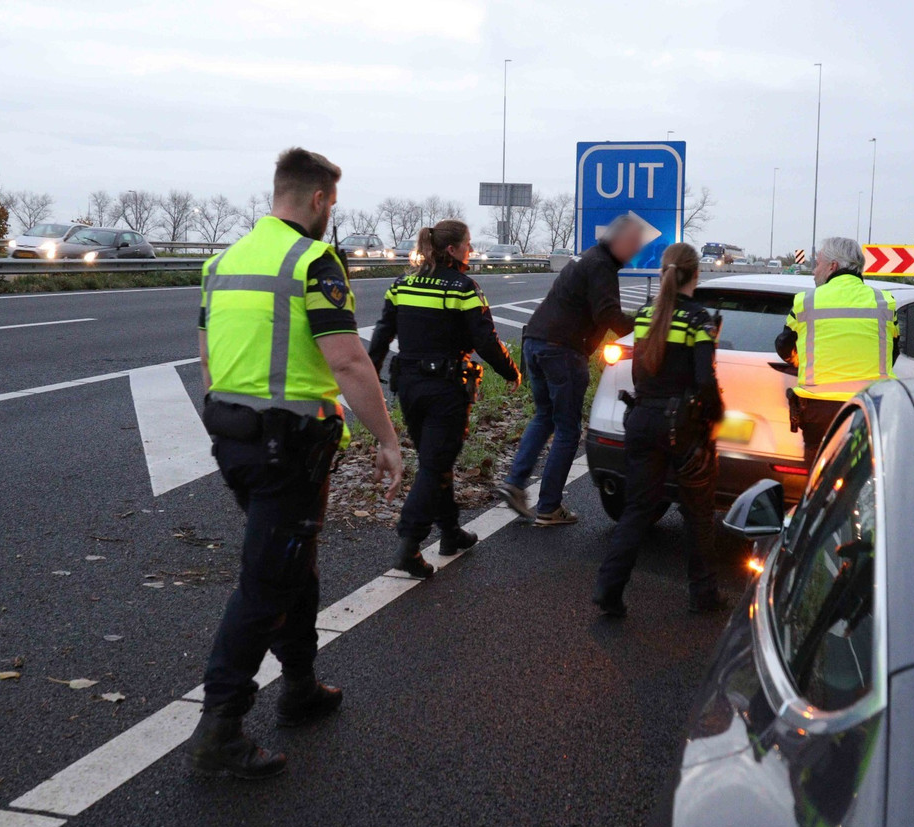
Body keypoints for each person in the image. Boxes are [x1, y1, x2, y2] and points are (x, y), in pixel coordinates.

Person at [186, 148, 404, 780]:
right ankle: (219, 726)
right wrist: (388, 440)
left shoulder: (220, 262)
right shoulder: (314, 261)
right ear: (318, 200)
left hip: (232, 437)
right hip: (288, 446)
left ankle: (301, 684)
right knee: (267, 580)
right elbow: (348, 362)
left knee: (292, 563)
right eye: (331, 203)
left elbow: (206, 357)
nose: (329, 213)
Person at [368, 220, 521, 578]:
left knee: (435, 458)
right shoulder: (464, 287)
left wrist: (371, 372)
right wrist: (512, 372)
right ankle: (409, 543)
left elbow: (380, 334)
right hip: (445, 388)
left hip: (407, 386)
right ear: (452, 250)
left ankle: (450, 532)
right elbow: (485, 341)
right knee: (436, 464)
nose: (470, 249)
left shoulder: (402, 284)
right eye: (467, 244)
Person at [592, 243, 723, 617]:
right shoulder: (699, 320)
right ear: (695, 274)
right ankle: (704, 594)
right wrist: (714, 420)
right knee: (698, 513)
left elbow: (640, 372)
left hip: (641, 420)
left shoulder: (647, 313)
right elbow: (704, 382)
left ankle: (608, 589)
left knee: (636, 509)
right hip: (680, 427)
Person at [496, 215, 645, 526]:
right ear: (618, 240)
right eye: (633, 243)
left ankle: (514, 482)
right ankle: (549, 506)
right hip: (562, 350)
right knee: (567, 429)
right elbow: (609, 316)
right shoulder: (601, 265)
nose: (635, 251)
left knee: (544, 416)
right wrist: (647, 331)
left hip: (535, 342)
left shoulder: (587, 258)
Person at [775, 236, 898, 467]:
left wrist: (811, 363)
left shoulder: (806, 302)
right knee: (862, 478)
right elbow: (893, 351)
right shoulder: (885, 302)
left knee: (819, 480)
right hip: (869, 408)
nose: (814, 270)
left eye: (818, 263)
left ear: (833, 266)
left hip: (819, 411)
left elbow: (784, 347)